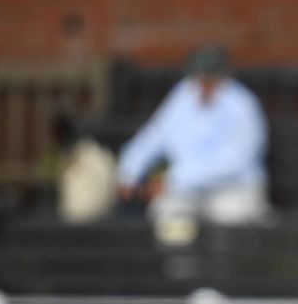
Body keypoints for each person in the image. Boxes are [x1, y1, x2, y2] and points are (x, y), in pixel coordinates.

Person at [116, 44, 270, 227]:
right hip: (185, 189)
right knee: (168, 211)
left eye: (211, 77)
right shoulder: (183, 96)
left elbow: (234, 163)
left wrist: (173, 180)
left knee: (227, 215)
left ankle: (228, 248)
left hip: (233, 188)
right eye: (200, 76)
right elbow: (153, 136)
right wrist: (130, 171)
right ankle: (179, 248)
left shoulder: (242, 104)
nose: (204, 83)